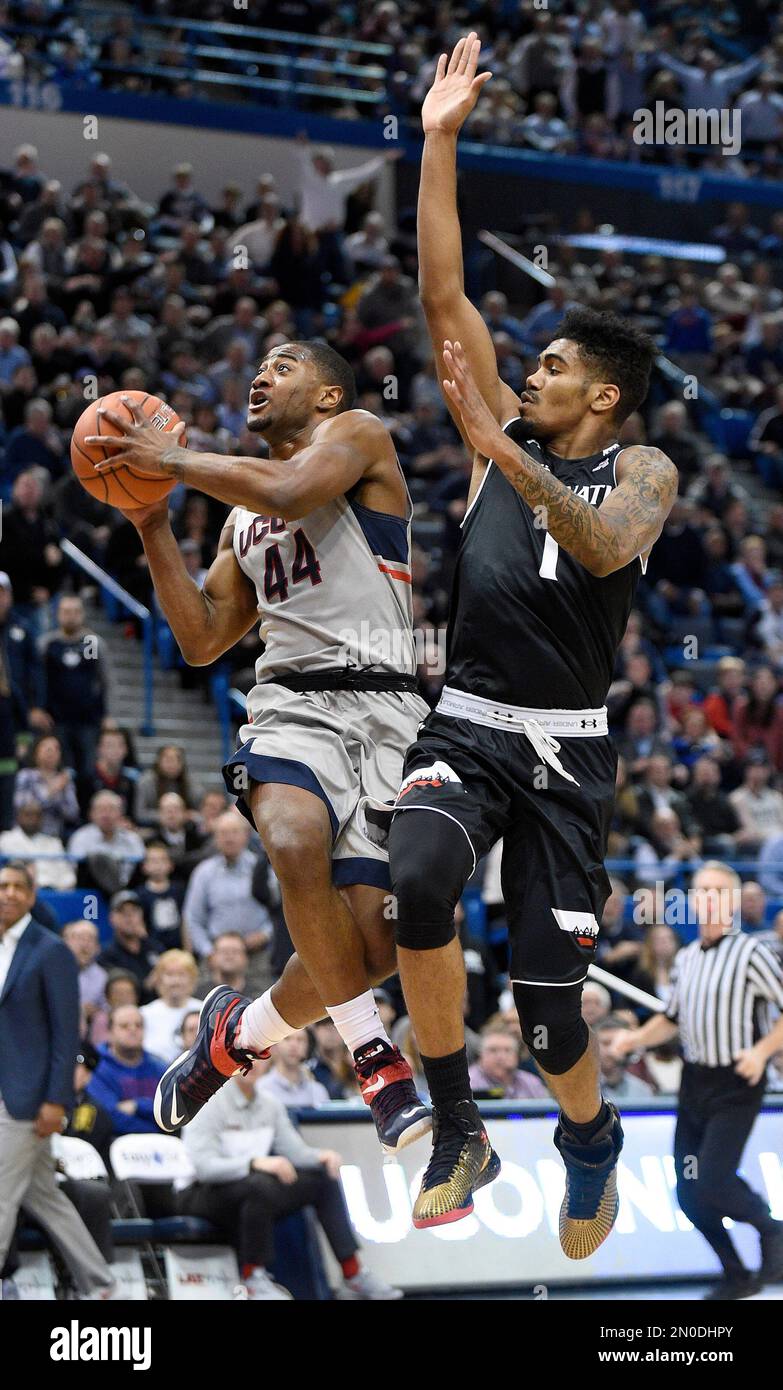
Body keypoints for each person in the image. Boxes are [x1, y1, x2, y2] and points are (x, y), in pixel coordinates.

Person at [383, 34, 677, 1240]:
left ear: (600, 396)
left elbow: (607, 549)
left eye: (552, 365)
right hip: (470, 719)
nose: (531, 370)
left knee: (553, 1009)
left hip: (568, 754)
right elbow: (445, 297)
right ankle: (459, 1126)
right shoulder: (502, 433)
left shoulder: (641, 465)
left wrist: (512, 456)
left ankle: (590, 1137)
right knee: (416, 882)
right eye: (532, 363)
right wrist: (439, 139)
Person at [88, 299, 431, 1155]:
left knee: (376, 943)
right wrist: (152, 520)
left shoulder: (359, 437)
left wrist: (169, 458)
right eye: (259, 364)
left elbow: (288, 486)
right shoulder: (241, 522)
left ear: (323, 395)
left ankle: (235, 1033)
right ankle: (375, 1059)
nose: (260, 375)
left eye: (282, 365)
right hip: (292, 704)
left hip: (390, 708)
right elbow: (204, 639)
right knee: (289, 834)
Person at [612, 861, 783, 1300]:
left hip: (736, 1082)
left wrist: (762, 1051)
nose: (704, 898)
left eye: (715, 891)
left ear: (731, 903)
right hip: (695, 1082)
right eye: (699, 890)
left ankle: (770, 1228)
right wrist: (634, 1039)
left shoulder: (752, 953)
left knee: (712, 1180)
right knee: (689, 1194)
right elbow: (672, 1020)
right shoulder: (687, 958)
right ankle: (737, 1275)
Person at [181, 1060, 401, 1300]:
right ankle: (253, 1278)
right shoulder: (209, 1103)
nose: (250, 1065)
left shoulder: (270, 1105)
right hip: (198, 1193)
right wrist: (254, 1163)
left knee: (322, 1180)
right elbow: (204, 1168)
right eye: (244, 1060)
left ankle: (353, 1273)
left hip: (249, 1190)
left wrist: (321, 1156)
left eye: (256, 1060)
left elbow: (294, 1152)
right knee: (260, 1184)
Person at [0, 861, 115, 1298]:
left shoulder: (50, 950)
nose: (8, 893)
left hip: (27, 1099)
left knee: (1, 1196)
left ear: (31, 897)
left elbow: (68, 1033)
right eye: (2, 886)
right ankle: (103, 1287)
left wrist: (57, 1099)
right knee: (45, 1197)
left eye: (17, 887)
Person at [181, 811, 273, 994]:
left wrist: (265, 934)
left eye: (234, 832)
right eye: (223, 833)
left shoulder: (260, 868)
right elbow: (193, 918)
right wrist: (208, 952)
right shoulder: (204, 872)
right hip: (216, 957)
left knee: (262, 1010)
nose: (228, 838)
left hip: (257, 955)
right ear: (215, 837)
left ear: (246, 835)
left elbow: (280, 910)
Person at [39, 594, 108, 783]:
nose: (71, 616)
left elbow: (105, 680)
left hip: (88, 719)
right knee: (63, 769)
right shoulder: (49, 644)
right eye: (66, 612)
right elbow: (38, 680)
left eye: (76, 612)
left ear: (83, 614)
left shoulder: (91, 642)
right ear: (58, 614)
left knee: (88, 771)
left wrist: (109, 715)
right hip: (56, 718)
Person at [87, 1004, 166, 1137]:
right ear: (110, 1032)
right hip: (113, 1144)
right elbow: (108, 1116)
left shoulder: (159, 1066)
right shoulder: (96, 1067)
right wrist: (155, 1128)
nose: (133, 1030)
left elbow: (170, 1111)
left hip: (165, 1146)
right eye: (124, 1026)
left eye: (138, 1025)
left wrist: (137, 1106)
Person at [139, 950, 202, 1064]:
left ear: (192, 979)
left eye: (181, 974)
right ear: (158, 979)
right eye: (169, 974)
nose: (175, 981)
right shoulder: (144, 1014)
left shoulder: (204, 1010)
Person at [97, 890, 158, 1003]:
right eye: (122, 912)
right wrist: (147, 985)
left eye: (134, 911)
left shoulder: (154, 947)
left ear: (141, 916)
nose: (129, 917)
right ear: (112, 918)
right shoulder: (106, 955)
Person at [0, 798, 75, 890]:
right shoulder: (5, 840)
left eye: (37, 815)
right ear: (18, 817)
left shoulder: (54, 843)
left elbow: (69, 877)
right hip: (19, 893)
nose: (32, 819)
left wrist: (56, 888)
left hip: (55, 893)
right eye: (28, 815)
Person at [468, 1028, 549, 1099]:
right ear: (480, 1055)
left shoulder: (531, 1082)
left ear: (517, 1056)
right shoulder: (469, 1082)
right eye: (493, 1050)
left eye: (507, 1050)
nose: (500, 1057)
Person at [258, 1031, 331, 1108]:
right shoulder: (261, 1089)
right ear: (275, 1046)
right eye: (287, 1038)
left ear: (308, 1048)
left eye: (300, 1040)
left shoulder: (318, 1092)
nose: (294, 1045)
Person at [135, 841, 184, 951]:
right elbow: (140, 925)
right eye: (153, 861)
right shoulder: (140, 894)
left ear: (171, 865)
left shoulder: (179, 890)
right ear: (144, 866)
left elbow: (185, 921)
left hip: (177, 947)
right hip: (152, 948)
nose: (158, 865)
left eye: (162, 860)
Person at [62, 919, 107, 1039]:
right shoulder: (51, 970)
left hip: (91, 1034)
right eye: (79, 938)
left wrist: (95, 1011)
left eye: (90, 939)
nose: (85, 944)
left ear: (98, 947)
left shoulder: (103, 977)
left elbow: (108, 1009)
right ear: (66, 942)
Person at [596, 1018, 655, 1102]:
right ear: (593, 1047)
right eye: (606, 1043)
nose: (612, 1050)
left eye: (618, 1044)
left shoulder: (642, 1090)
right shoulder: (581, 1088)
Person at [194, 930, 249, 1000]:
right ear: (213, 957)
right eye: (224, 951)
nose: (229, 956)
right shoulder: (197, 995)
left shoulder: (258, 996)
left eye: (235, 951)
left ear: (245, 958)